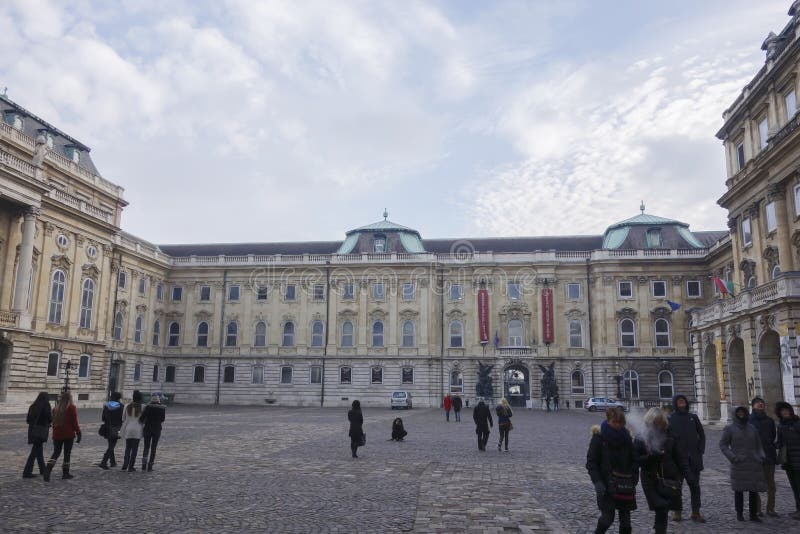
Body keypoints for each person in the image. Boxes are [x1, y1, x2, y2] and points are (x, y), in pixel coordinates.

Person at [634, 408, 692, 534]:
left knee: (663, 510)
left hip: (668, 477)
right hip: (650, 478)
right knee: (661, 507)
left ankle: (660, 530)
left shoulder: (671, 435)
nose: (658, 426)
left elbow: (680, 458)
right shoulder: (641, 437)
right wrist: (651, 456)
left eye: (660, 422)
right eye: (655, 422)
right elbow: (636, 459)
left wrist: (688, 475)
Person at [586, 407, 637, 534]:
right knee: (607, 519)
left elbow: (634, 460)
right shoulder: (599, 438)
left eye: (621, 423)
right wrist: (597, 482)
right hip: (606, 484)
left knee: (626, 522)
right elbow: (591, 463)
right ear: (608, 421)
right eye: (615, 422)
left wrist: (634, 478)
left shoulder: (627, 438)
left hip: (625, 483)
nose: (618, 425)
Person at [719, 405, 766, 522]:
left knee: (753, 490)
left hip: (754, 463)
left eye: (742, 412)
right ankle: (739, 513)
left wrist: (761, 456)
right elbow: (723, 445)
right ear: (735, 414)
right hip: (739, 463)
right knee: (739, 490)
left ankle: (753, 514)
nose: (741, 414)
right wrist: (732, 457)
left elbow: (758, 444)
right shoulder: (729, 429)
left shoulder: (752, 428)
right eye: (738, 412)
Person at [667, 394, 706, 523]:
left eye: (683, 400)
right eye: (679, 401)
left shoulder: (693, 417)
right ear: (675, 403)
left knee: (695, 487)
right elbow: (666, 437)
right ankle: (677, 512)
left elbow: (701, 434)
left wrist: (700, 450)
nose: (682, 402)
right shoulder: (670, 418)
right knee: (677, 487)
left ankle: (696, 512)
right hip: (677, 460)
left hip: (694, 459)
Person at [749, 396, 778, 517]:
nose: (760, 404)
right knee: (755, 485)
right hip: (755, 457)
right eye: (757, 403)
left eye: (762, 403)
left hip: (769, 456)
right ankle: (757, 509)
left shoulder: (770, 421)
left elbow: (772, 436)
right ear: (753, 406)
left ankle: (770, 508)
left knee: (771, 484)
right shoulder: (749, 421)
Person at [45, 391, 81, 481]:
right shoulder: (71, 408)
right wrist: (78, 432)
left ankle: (48, 470)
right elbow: (74, 422)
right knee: (67, 454)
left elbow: (52, 422)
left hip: (57, 434)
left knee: (56, 453)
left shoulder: (55, 408)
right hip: (68, 434)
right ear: (70, 398)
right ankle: (65, 473)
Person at [775, 401, 800, 519]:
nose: (784, 412)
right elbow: (779, 443)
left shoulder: (797, 423)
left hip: (798, 460)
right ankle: (798, 509)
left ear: (790, 410)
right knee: (795, 487)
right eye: (782, 410)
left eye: (786, 410)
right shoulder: (780, 426)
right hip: (788, 461)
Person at [22, 392, 52, 479]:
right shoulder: (46, 405)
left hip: (32, 431)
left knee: (39, 451)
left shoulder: (33, 406)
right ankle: (27, 472)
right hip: (40, 431)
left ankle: (43, 469)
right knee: (34, 452)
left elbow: (28, 420)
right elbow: (49, 418)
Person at [140, 395, 166, 471]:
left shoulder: (148, 407)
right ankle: (150, 465)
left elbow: (142, 418)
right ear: (158, 401)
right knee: (153, 447)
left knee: (146, 447)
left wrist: (146, 422)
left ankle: (144, 465)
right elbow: (162, 419)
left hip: (147, 428)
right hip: (157, 429)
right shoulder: (162, 408)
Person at [98, 391, 123, 469]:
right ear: (119, 398)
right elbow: (122, 418)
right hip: (116, 427)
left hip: (107, 427)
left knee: (110, 444)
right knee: (112, 446)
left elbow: (103, 418)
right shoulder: (121, 406)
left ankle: (113, 462)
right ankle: (104, 462)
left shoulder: (106, 406)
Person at [120, 390, 144, 472]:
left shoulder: (127, 406)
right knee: (134, 449)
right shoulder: (143, 407)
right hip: (138, 429)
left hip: (128, 428)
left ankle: (125, 464)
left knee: (128, 448)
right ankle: (131, 466)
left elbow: (123, 418)